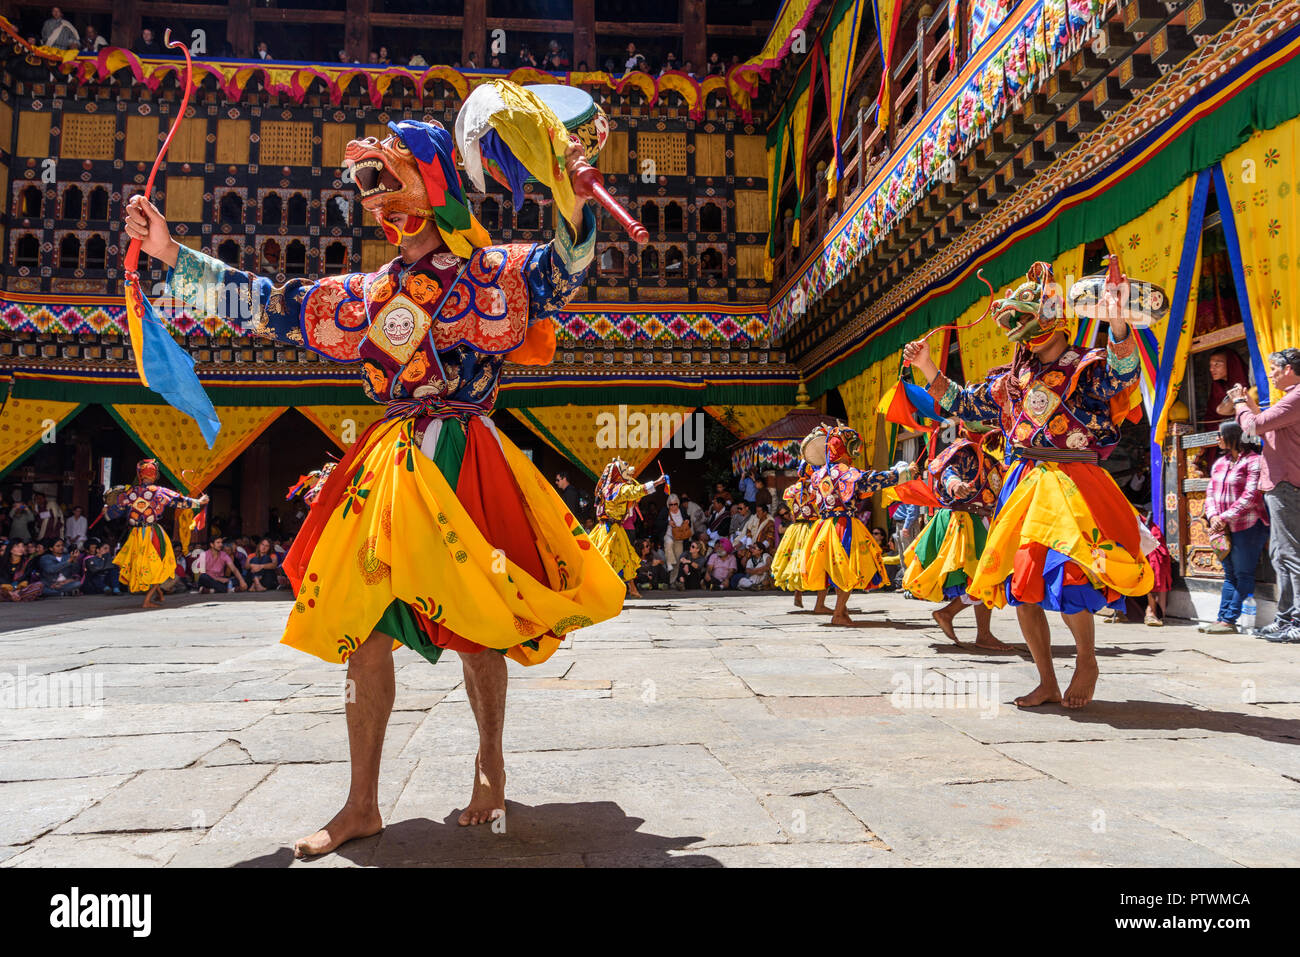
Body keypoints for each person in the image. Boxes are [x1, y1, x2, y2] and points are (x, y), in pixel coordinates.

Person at [129, 112, 625, 855]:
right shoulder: (363, 292)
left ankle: (490, 766)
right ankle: (361, 801)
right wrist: (171, 253)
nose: (369, 197)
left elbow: (565, 268)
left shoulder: (491, 275)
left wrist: (572, 197)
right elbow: (269, 302)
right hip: (389, 464)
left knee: (478, 626)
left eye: (381, 177)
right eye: (363, 184)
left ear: (431, 184)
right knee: (360, 624)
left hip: (464, 451)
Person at [903, 259, 1157, 708]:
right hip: (1024, 482)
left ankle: (1086, 659)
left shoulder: (1085, 367)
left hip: (1072, 480)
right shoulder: (1009, 381)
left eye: (1028, 317)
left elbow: (1124, 376)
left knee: (1071, 573)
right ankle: (1046, 679)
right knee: (1022, 584)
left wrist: (1117, 324)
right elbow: (962, 404)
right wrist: (926, 366)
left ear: (1055, 318)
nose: (1021, 328)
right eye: (1015, 321)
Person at [900, 425, 1012, 650]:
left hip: (979, 520)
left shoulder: (989, 457)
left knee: (982, 578)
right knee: (982, 577)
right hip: (965, 521)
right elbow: (948, 471)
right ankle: (972, 628)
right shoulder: (962, 449)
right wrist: (955, 485)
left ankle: (956, 618)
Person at [801, 424, 914, 625]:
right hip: (843, 525)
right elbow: (870, 481)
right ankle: (837, 613)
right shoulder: (843, 471)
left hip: (824, 525)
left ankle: (841, 610)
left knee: (838, 568)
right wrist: (903, 473)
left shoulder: (818, 474)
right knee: (848, 566)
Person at [1229, 347, 1300, 642]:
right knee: (1280, 555)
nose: (1270, 374)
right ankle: (1285, 619)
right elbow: (1263, 426)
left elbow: (1253, 427)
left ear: (1288, 369)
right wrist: (1247, 403)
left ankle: (1296, 621)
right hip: (1280, 485)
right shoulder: (1288, 400)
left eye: (1274, 369)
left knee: (1291, 555)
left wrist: (1239, 404)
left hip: (1287, 485)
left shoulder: (1297, 397)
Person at [106, 459, 208, 608]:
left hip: (135, 535)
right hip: (152, 533)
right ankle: (147, 601)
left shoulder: (129, 493)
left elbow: (112, 514)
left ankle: (158, 594)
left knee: (143, 565)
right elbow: (179, 501)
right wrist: (199, 502)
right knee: (159, 564)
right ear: (154, 475)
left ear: (141, 475)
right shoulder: (158, 491)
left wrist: (107, 511)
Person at [1202, 420, 1266, 635]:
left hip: (1247, 525)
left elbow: (1251, 495)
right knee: (1229, 574)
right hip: (1222, 527)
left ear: (1234, 436)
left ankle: (1230, 619)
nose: (1217, 438)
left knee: (1243, 573)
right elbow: (1210, 492)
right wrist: (1213, 516)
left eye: (1220, 434)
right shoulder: (1220, 462)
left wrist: (1224, 517)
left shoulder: (1255, 461)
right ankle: (1222, 619)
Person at [589, 457, 667, 599]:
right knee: (617, 559)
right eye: (624, 470)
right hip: (612, 532)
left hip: (603, 529)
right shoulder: (620, 489)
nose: (628, 472)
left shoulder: (606, 487)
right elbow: (637, 491)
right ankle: (607, 592)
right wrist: (658, 482)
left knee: (617, 559)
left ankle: (625, 589)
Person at [771, 462, 819, 608]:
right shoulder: (815, 489)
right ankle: (820, 603)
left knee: (798, 560)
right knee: (818, 559)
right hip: (813, 527)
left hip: (797, 528)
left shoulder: (791, 490)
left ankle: (798, 594)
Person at [662, 494, 691, 582]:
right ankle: (669, 562)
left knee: (678, 561)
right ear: (668, 505)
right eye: (671, 504)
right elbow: (658, 523)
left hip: (679, 538)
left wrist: (687, 521)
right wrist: (667, 522)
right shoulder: (665, 511)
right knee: (668, 543)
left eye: (675, 504)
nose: (673, 506)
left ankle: (672, 581)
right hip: (669, 535)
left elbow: (687, 518)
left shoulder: (682, 510)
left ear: (678, 504)